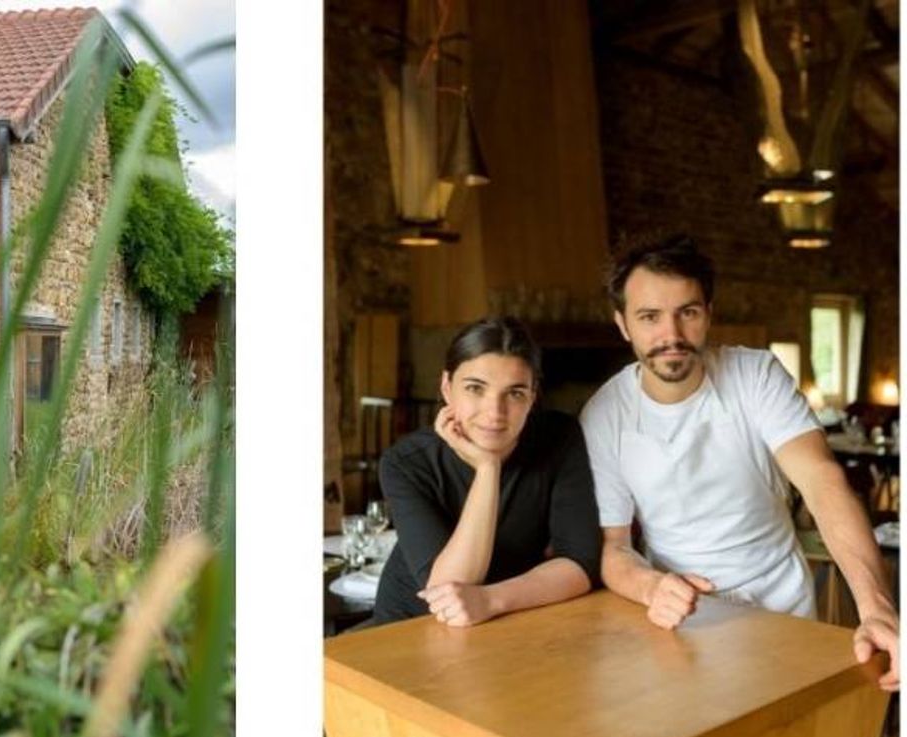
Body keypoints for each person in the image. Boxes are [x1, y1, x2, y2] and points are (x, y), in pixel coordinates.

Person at [579, 234, 899, 691]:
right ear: (623, 324)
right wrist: (650, 587)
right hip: (683, 618)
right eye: (650, 317)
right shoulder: (604, 414)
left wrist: (876, 608)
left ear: (709, 313)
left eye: (687, 312)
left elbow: (822, 482)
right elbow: (614, 546)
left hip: (783, 609)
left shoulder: (756, 375)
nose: (671, 335)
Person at [372, 317, 601, 626]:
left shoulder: (560, 438)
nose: (495, 413)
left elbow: (580, 564)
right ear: (447, 388)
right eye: (475, 388)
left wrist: (492, 600)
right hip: (412, 624)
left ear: (533, 396)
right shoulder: (407, 462)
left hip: (506, 617)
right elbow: (449, 590)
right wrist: (488, 467)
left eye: (515, 393)